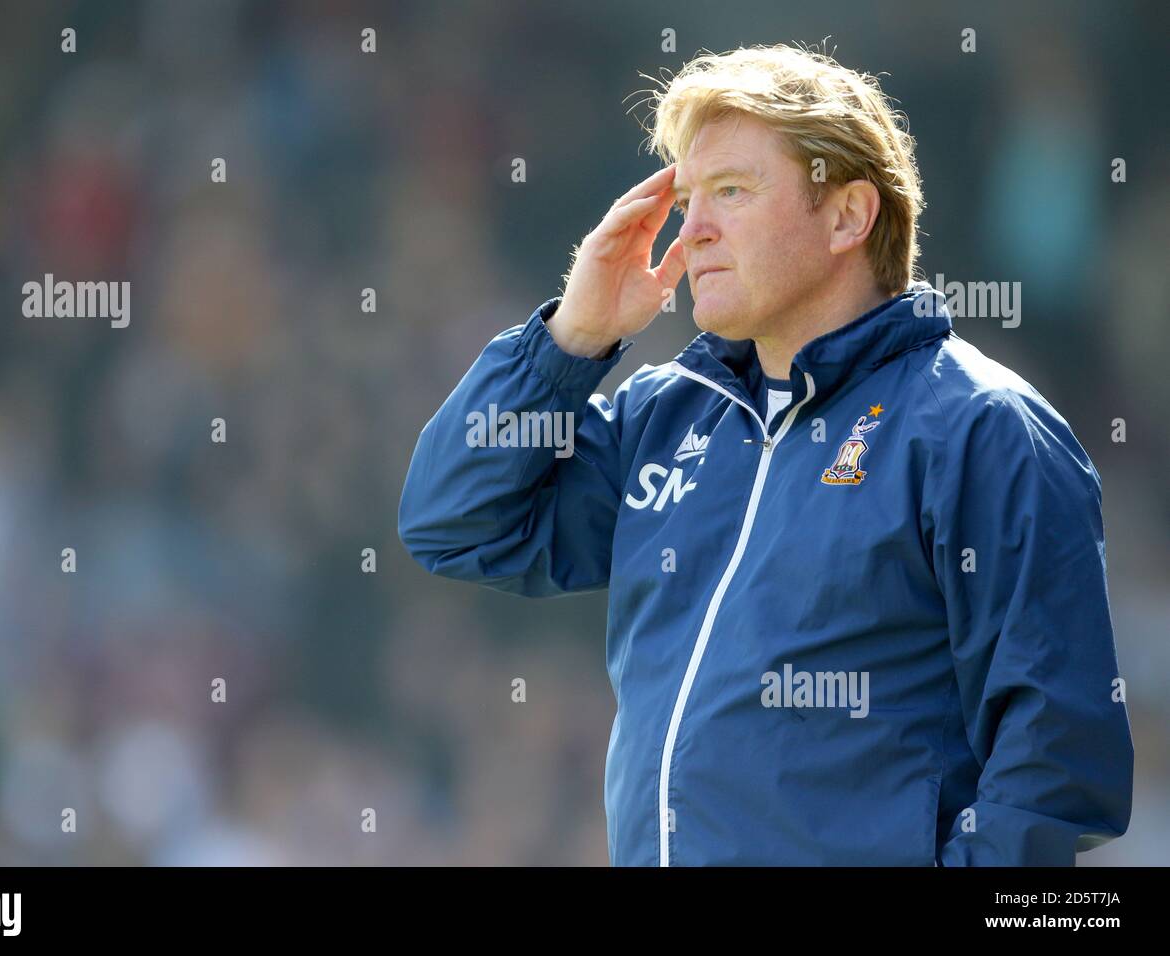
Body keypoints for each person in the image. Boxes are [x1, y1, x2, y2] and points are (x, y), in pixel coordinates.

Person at [397, 44, 1134, 866]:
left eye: (732, 193)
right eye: (686, 198)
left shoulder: (982, 429)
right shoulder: (669, 415)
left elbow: (1056, 772)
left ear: (849, 217)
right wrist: (571, 339)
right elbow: (454, 524)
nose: (694, 228)